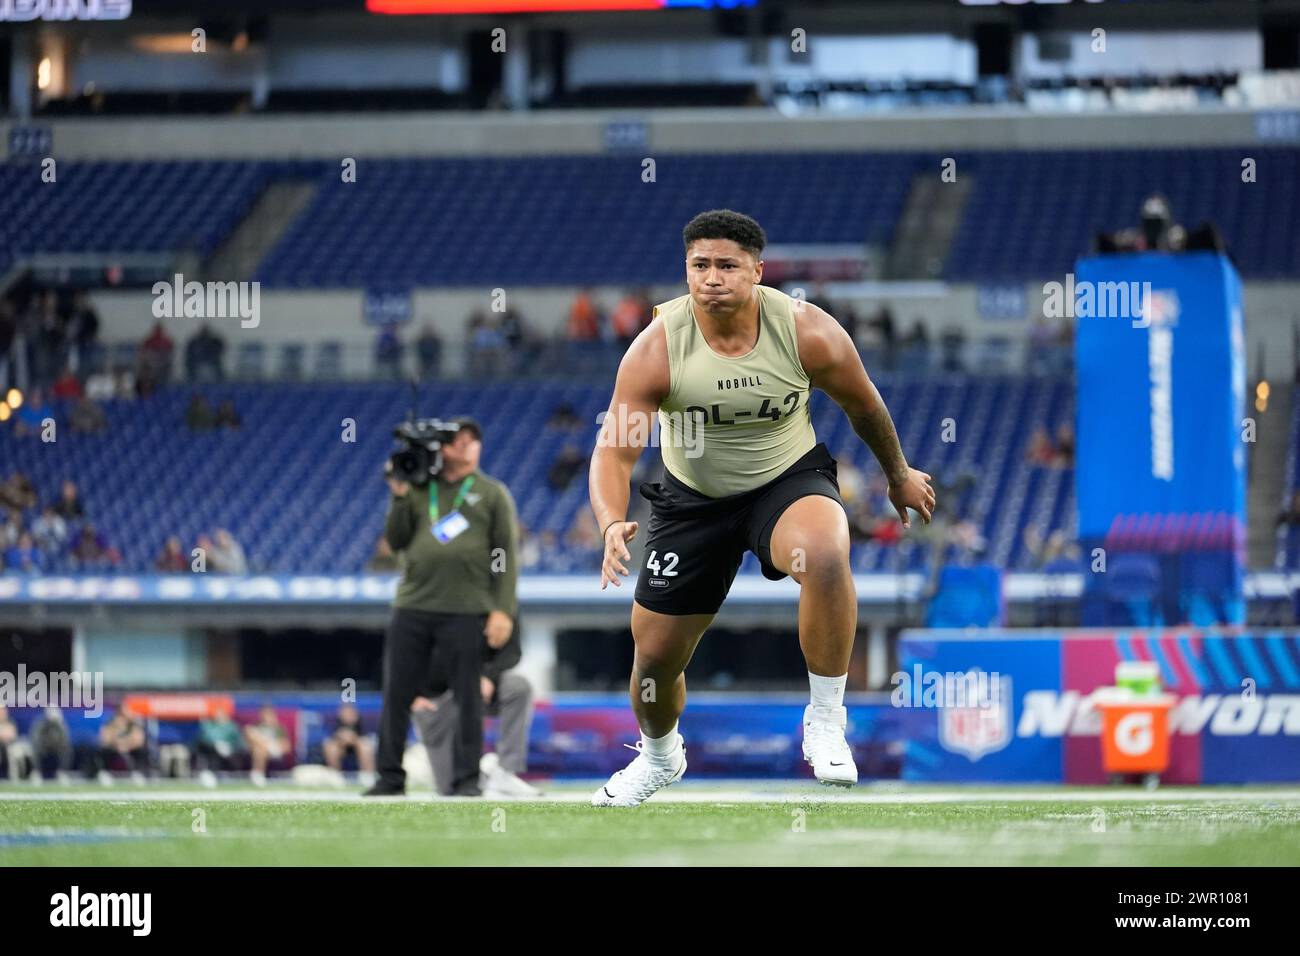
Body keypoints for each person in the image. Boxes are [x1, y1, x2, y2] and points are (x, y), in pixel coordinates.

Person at [588, 209, 934, 806]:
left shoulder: (806, 331)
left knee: (826, 553)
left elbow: (865, 407)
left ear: (757, 271)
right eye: (700, 265)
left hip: (784, 480)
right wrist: (610, 520)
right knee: (653, 664)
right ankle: (659, 757)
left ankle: (826, 719)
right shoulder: (656, 349)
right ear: (686, 271)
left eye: (727, 265)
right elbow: (614, 452)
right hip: (692, 501)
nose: (712, 278)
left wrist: (898, 476)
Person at [364, 417, 520, 798]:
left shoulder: (492, 493)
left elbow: (505, 555)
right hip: (413, 603)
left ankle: (467, 780)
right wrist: (398, 494)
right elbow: (398, 540)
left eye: (473, 440)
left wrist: (502, 609)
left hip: (467, 608)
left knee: (468, 695)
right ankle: (389, 777)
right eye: (458, 440)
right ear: (442, 449)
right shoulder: (419, 489)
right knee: (397, 691)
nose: (467, 446)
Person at [409, 613, 539, 798]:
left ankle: (504, 771)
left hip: (482, 688)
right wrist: (412, 691)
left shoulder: (499, 603)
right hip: (441, 694)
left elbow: (512, 651)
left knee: (518, 687)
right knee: (450, 789)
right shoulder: (436, 606)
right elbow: (409, 652)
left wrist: (488, 675)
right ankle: (485, 772)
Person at [322, 703, 374, 776]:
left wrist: (353, 739)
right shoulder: (335, 724)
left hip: (357, 747)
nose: (348, 715)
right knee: (332, 748)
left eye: (350, 713)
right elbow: (330, 738)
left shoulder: (361, 724)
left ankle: (367, 776)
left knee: (365, 747)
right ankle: (335, 776)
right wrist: (342, 739)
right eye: (345, 713)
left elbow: (366, 737)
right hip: (340, 747)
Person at [245, 704, 290, 786]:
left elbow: (287, 746)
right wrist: (266, 745)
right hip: (261, 750)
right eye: (265, 714)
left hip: (276, 750)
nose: (267, 717)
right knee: (258, 747)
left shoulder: (278, 728)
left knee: (260, 746)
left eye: (269, 714)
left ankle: (257, 773)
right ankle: (258, 774)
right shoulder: (256, 726)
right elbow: (250, 739)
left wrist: (275, 746)